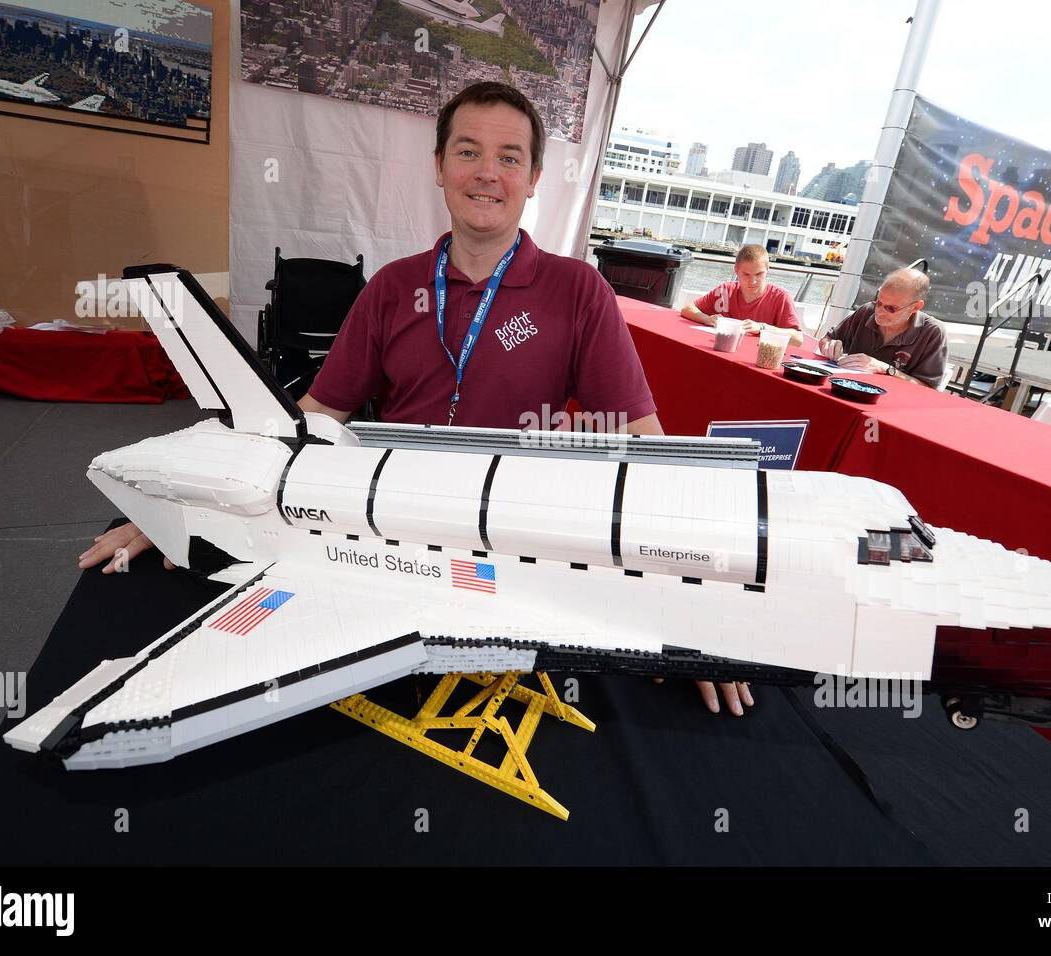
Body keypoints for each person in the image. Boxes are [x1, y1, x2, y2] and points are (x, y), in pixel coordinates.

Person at [79, 81, 754, 717]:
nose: (487, 172)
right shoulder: (393, 289)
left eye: (509, 157)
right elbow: (312, 421)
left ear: (535, 179)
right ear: (439, 166)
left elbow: (644, 446)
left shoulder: (578, 292)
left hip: (514, 550)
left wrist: (689, 600)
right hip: (387, 542)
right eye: (468, 152)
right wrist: (188, 497)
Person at [819, 267, 948, 388]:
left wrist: (886, 369)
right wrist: (829, 346)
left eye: (891, 308)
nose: (879, 311)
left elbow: (928, 389)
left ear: (916, 307)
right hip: (844, 388)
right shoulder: (866, 310)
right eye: (879, 302)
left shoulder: (933, 332)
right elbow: (827, 339)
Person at [680, 244, 801, 342]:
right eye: (746, 274)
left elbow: (798, 339)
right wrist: (707, 319)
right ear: (736, 270)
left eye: (759, 274)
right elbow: (687, 309)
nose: (753, 281)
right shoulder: (725, 291)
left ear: (767, 270)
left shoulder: (781, 297)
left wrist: (762, 327)